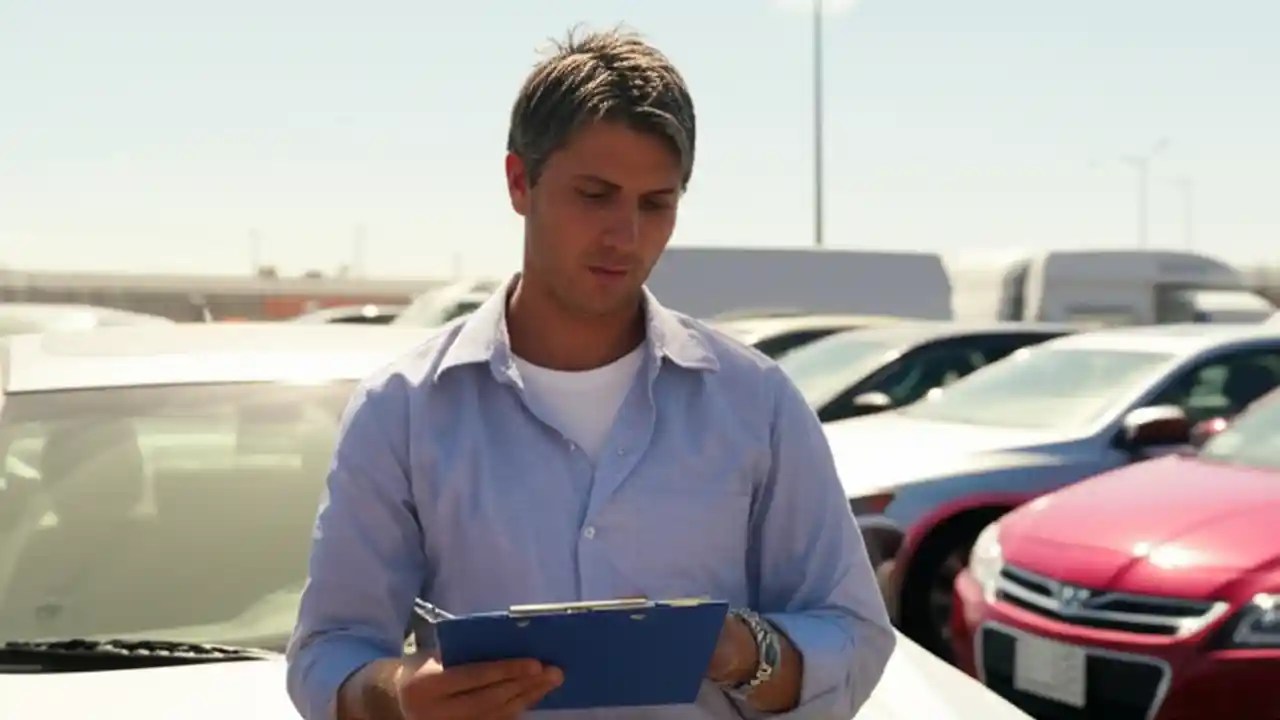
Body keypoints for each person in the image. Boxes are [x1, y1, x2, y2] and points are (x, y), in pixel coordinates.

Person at [286, 26, 895, 720]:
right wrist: (397, 697)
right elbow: (329, 651)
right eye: (595, 194)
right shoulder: (403, 409)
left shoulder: (756, 404)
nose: (625, 235)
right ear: (520, 182)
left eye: (655, 204)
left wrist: (742, 650)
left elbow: (853, 636)